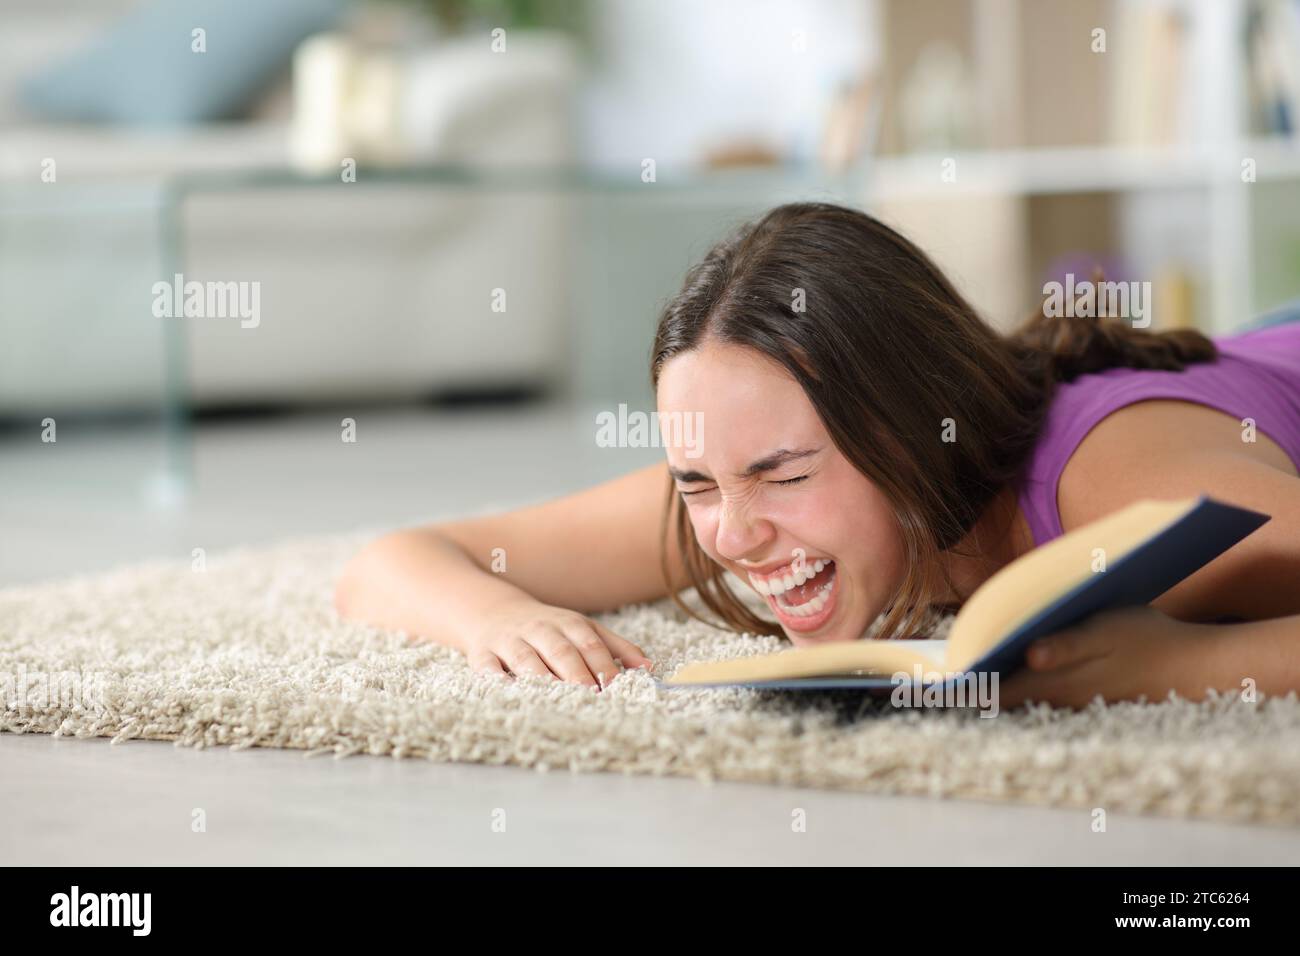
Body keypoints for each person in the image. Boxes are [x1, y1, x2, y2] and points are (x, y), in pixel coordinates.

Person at [336, 202, 1300, 708]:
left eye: (787, 476)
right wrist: (501, 618)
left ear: (911, 428)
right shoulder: (741, 482)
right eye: (698, 482)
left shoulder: (1122, 482)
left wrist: (1173, 672)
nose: (740, 537)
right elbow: (388, 565)